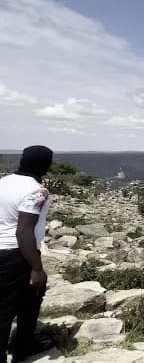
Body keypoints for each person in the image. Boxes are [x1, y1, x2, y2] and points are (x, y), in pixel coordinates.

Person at [0, 145, 53, 363]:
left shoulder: (3, 182)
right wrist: (36, 268)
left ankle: (23, 345)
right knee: (10, 309)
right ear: (46, 165)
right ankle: (21, 347)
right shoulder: (36, 191)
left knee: (28, 301)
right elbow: (24, 231)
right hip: (16, 255)